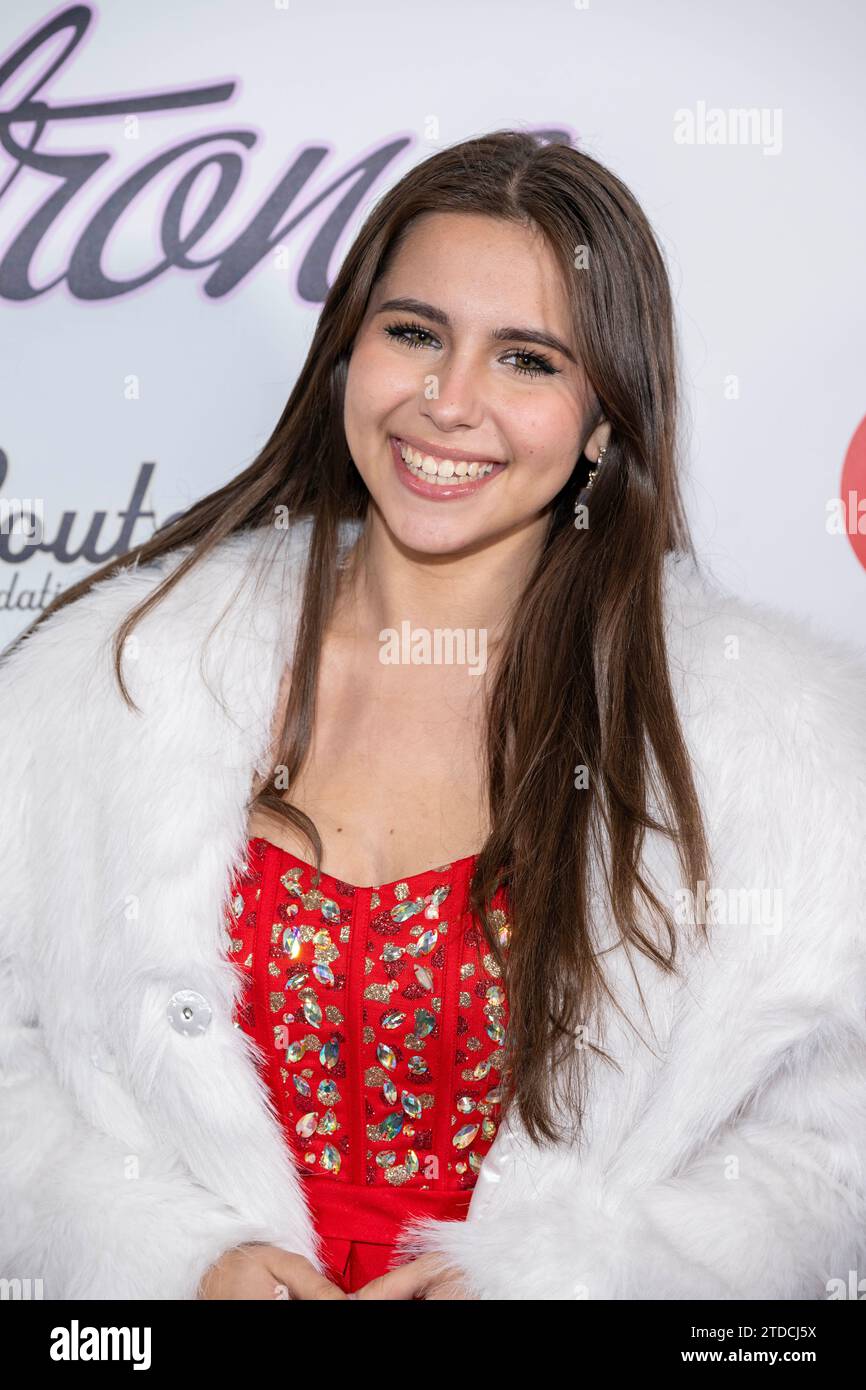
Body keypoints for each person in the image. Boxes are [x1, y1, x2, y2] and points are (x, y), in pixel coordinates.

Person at [1, 130, 864, 1302]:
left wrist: (566, 1289)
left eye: (526, 359)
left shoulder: (778, 748)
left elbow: (827, 1159)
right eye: (413, 334)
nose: (448, 403)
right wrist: (162, 1263)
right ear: (348, 351)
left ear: (605, 420)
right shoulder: (110, 683)